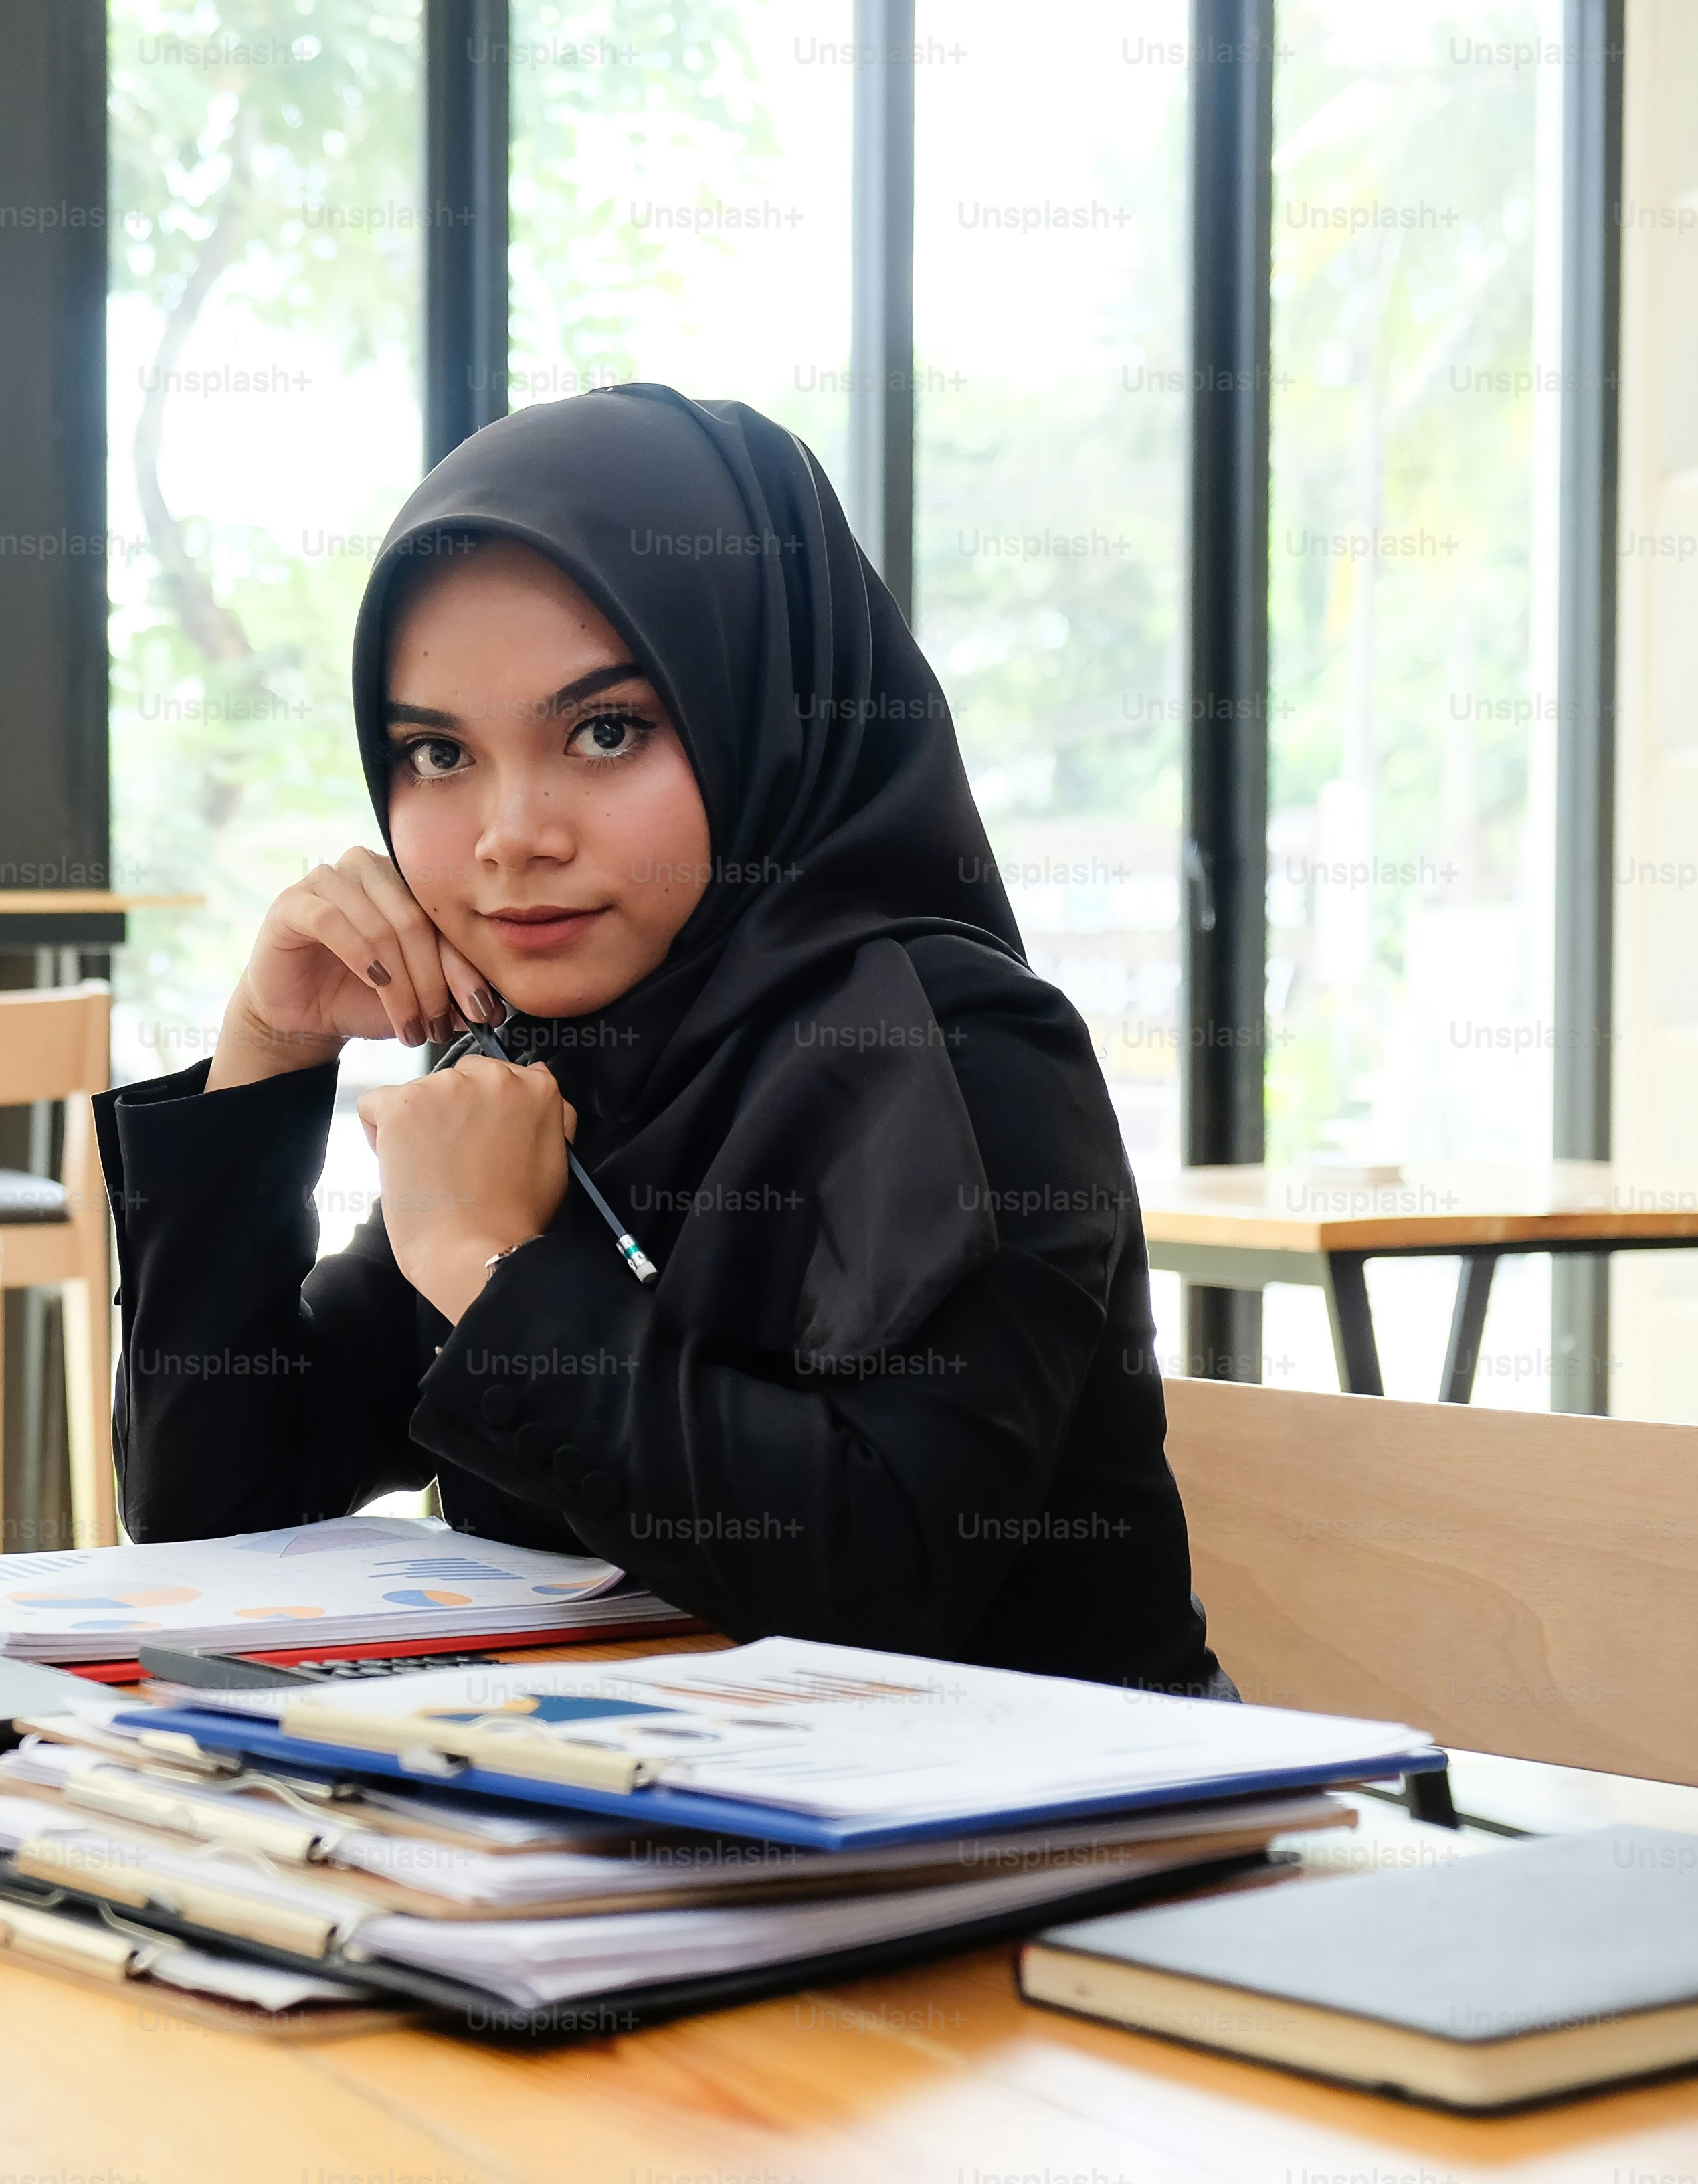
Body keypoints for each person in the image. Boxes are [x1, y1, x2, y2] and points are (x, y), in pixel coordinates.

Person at [94, 387, 1222, 1694]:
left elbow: (890, 1582)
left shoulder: (967, 1055)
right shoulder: (525, 1069)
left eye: (605, 730)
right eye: (438, 754)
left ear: (763, 715)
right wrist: (267, 1056)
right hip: (628, 1850)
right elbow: (214, 1513)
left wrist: (489, 1260)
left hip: (1063, 1864)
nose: (514, 835)